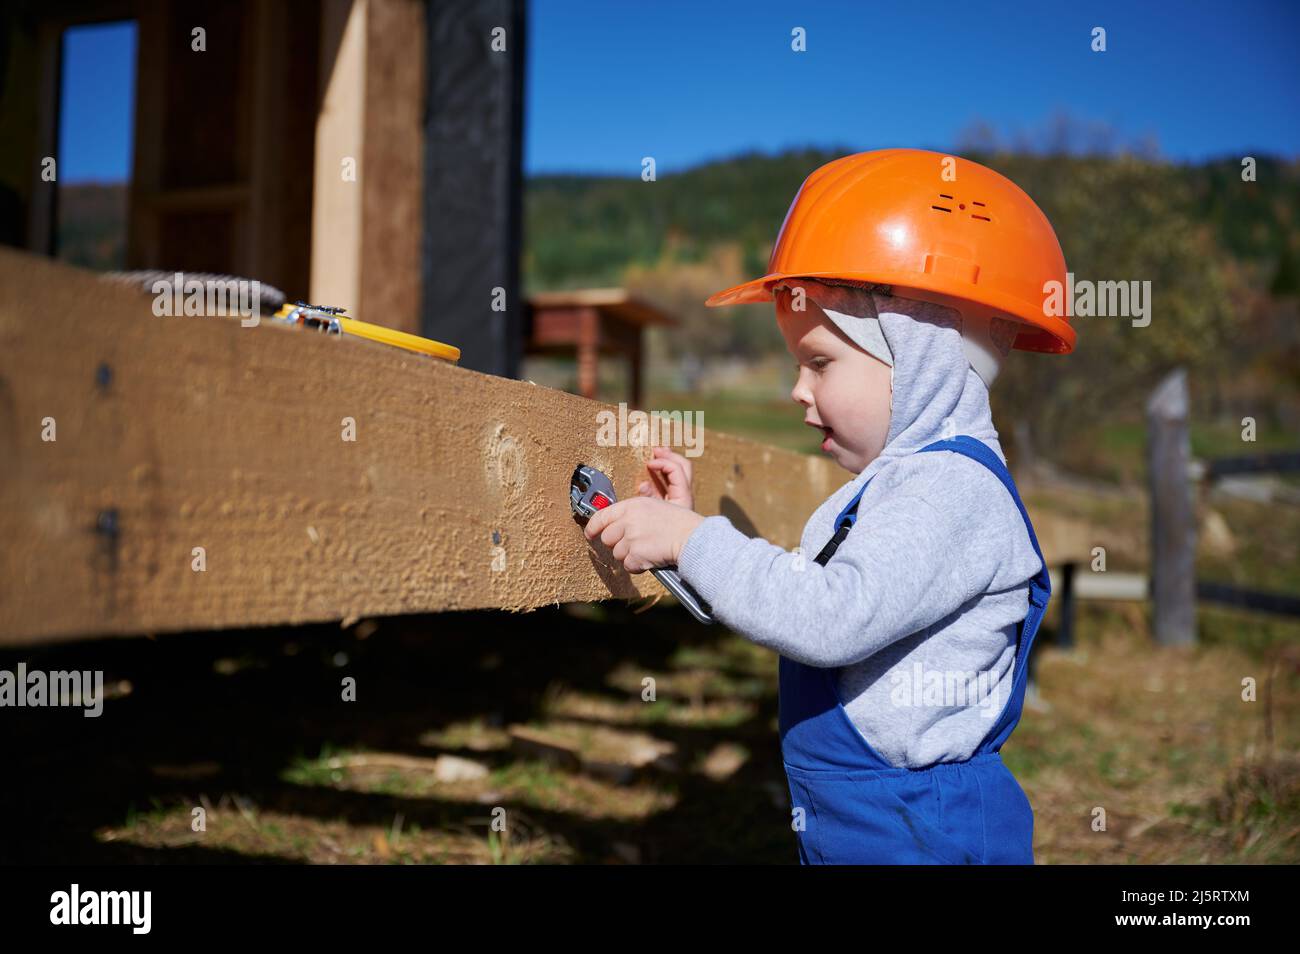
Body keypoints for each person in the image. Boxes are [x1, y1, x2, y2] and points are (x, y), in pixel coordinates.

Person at [582, 148, 1075, 863]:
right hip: (870, 821)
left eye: (819, 362)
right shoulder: (892, 489)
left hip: (921, 832)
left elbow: (828, 617)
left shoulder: (950, 493)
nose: (797, 390)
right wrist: (685, 544)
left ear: (921, 355)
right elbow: (792, 598)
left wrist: (694, 540)